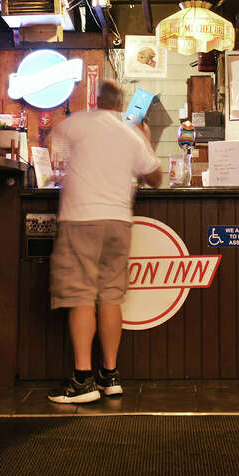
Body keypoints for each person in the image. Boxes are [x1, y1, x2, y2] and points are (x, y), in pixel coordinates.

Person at [46, 81, 162, 403]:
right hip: (118, 221)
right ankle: (110, 376)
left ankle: (83, 381)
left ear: (97, 100)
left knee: (82, 294)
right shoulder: (130, 131)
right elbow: (156, 177)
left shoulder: (79, 121)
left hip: (81, 219)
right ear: (122, 103)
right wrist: (145, 140)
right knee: (111, 296)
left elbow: (49, 140)